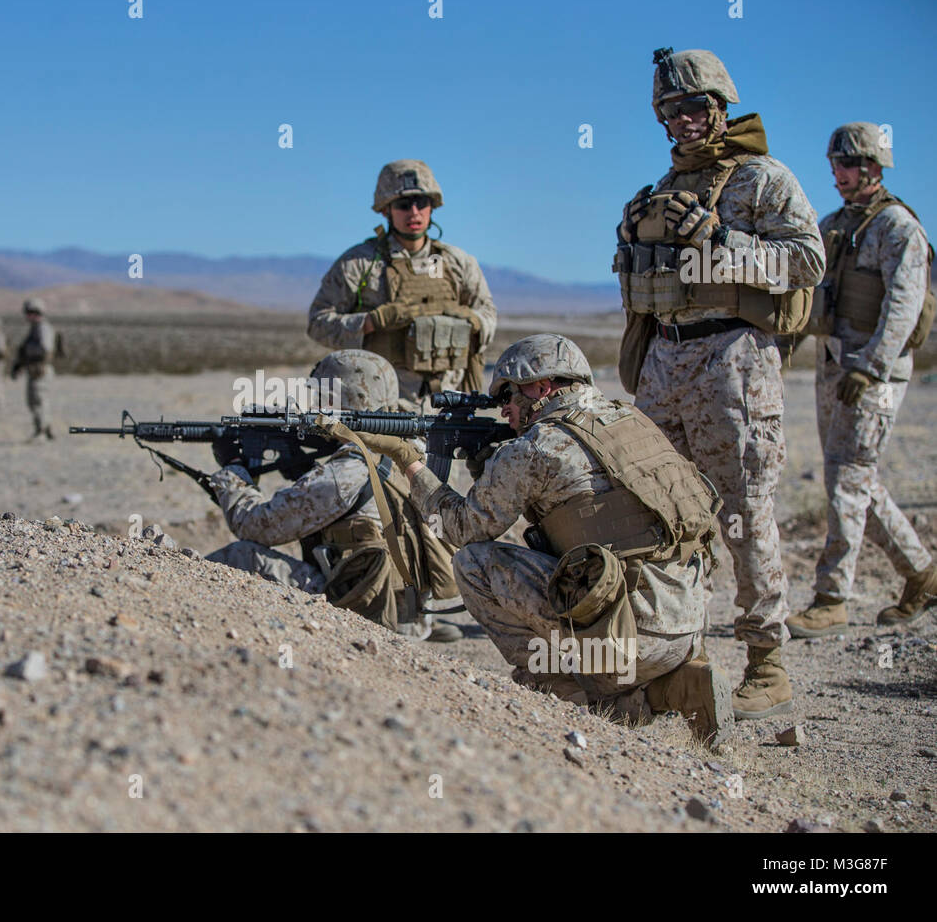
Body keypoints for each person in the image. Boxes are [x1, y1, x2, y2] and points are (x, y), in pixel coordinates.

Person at [330, 335, 733, 746]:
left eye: (507, 392)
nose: (503, 408)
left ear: (542, 387)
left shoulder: (536, 447)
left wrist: (409, 462)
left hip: (625, 638)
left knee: (474, 562)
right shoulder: (633, 421)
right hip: (685, 627)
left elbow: (461, 529)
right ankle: (677, 683)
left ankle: (567, 695)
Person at [613, 47, 825, 720]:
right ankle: (674, 654)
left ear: (721, 107)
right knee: (659, 512)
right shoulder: (656, 191)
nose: (684, 120)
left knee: (743, 509)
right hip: (664, 360)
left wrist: (721, 237)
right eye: (670, 111)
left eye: (695, 107)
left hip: (733, 362)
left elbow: (807, 260)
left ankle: (768, 663)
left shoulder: (764, 180)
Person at [787, 123, 937, 635]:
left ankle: (832, 598)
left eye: (845, 166)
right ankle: (922, 573)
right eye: (833, 166)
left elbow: (903, 306)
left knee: (848, 482)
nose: (836, 175)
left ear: (873, 167)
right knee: (852, 482)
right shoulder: (833, 225)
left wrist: (870, 367)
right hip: (833, 366)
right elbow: (810, 295)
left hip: (870, 376)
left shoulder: (899, 229)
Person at [206, 350, 463, 642]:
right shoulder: (414, 448)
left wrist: (233, 471)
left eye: (321, 397)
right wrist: (305, 468)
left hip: (368, 615)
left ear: (345, 401)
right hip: (409, 616)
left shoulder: (349, 470)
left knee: (242, 556)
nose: (313, 406)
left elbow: (253, 524)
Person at [306, 160, 497, 408]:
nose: (414, 212)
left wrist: (471, 321)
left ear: (432, 207)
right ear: (386, 210)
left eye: (422, 203)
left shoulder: (457, 263)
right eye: (404, 205)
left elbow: (488, 314)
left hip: (447, 406)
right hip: (381, 405)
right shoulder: (360, 263)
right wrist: (370, 322)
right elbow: (317, 323)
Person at [11, 298, 64, 440]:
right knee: (33, 401)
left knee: (39, 400)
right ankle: (43, 429)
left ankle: (42, 431)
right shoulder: (35, 328)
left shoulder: (43, 328)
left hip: (41, 370)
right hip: (34, 369)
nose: (27, 316)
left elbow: (45, 348)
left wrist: (28, 351)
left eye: (29, 313)